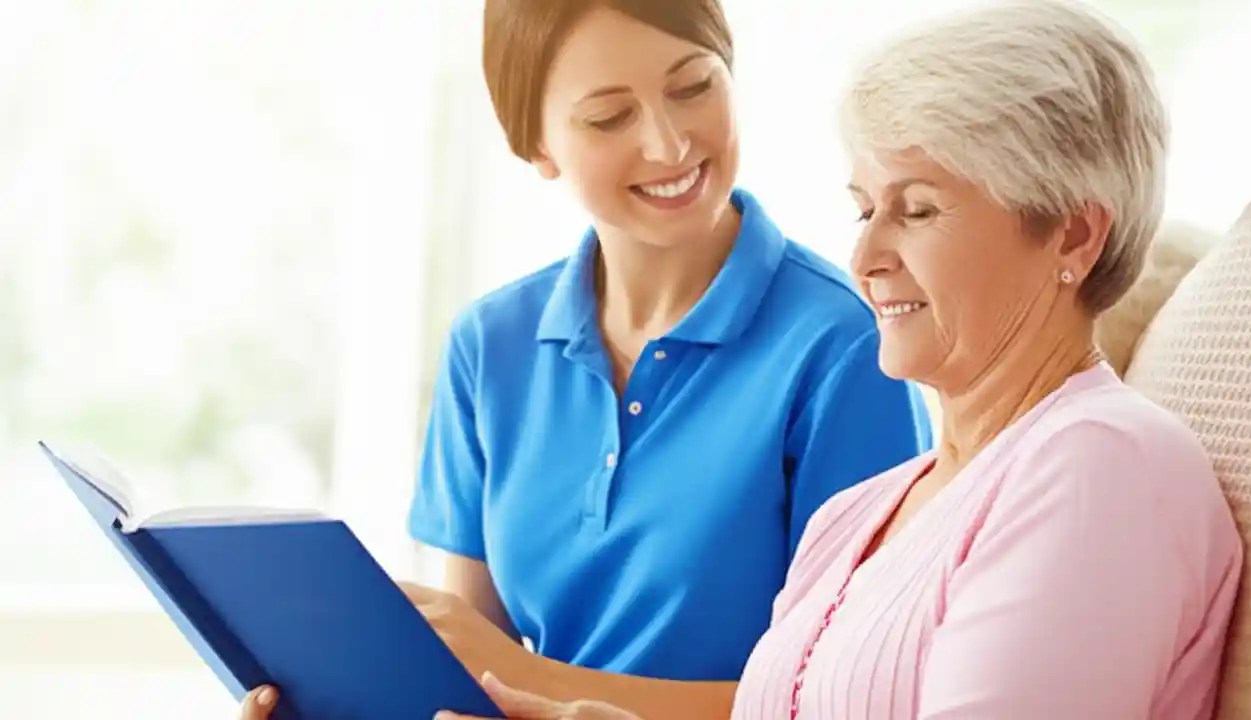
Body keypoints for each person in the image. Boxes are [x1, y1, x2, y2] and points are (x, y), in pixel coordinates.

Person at [257, 0, 1233, 718]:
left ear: (1071, 238)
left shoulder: (1099, 466)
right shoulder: (870, 513)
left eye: (918, 210)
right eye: (862, 208)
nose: (862, 258)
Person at [239, 0, 930, 718]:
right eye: (609, 117)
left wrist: (529, 678)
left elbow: (850, 700)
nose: (669, 145)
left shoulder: (843, 346)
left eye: (694, 87)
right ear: (535, 145)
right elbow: (471, 691)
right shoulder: (489, 346)